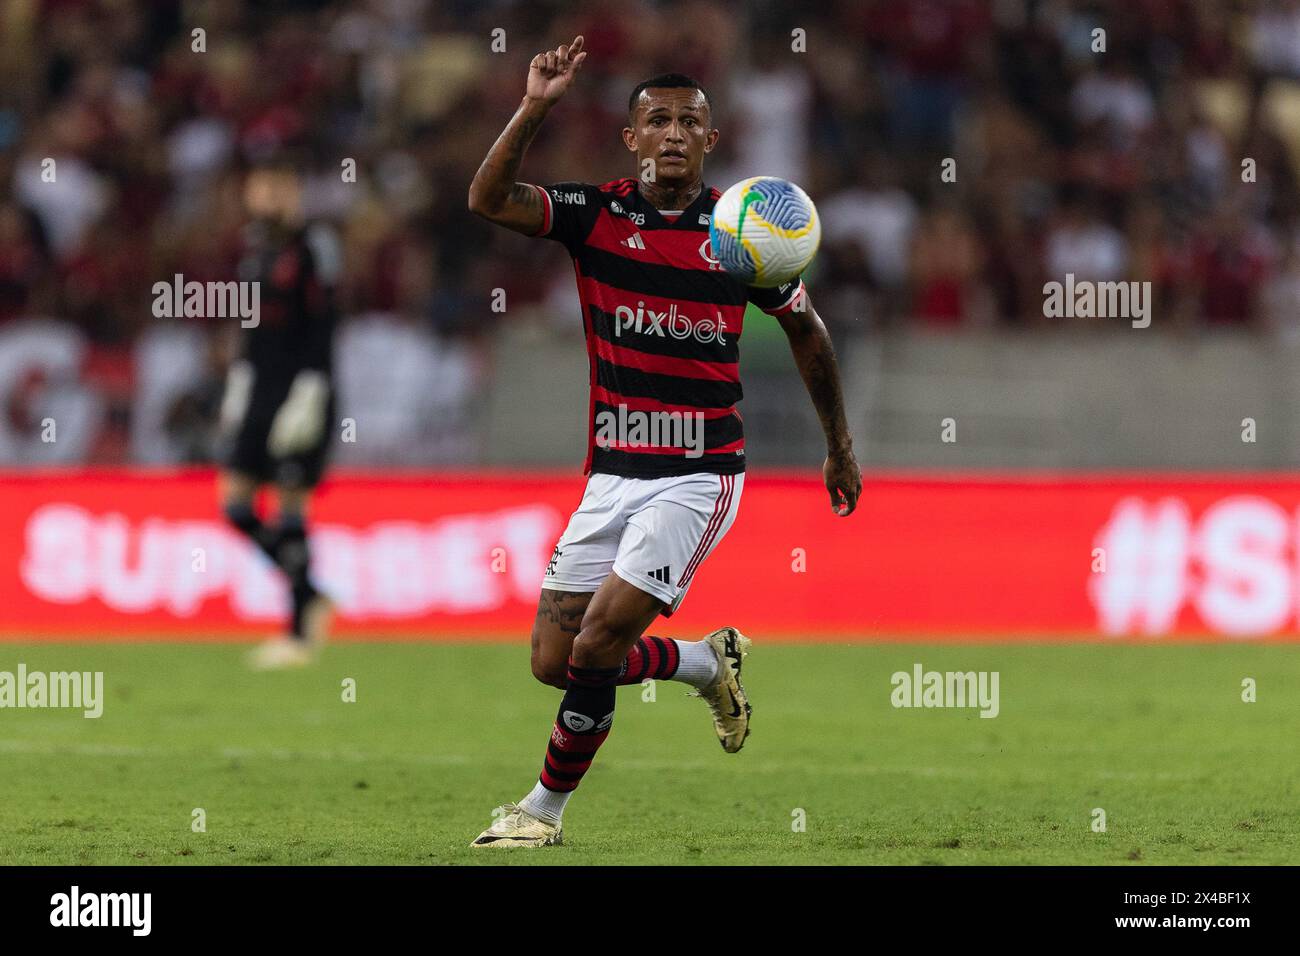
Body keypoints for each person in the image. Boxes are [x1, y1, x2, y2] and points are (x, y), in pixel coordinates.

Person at [466, 36, 861, 847]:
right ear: (632, 137)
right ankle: (703, 664)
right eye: (658, 120)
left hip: (698, 471)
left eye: (690, 121)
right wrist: (535, 107)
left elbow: (810, 334)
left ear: (712, 142)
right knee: (556, 659)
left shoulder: (740, 237)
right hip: (612, 472)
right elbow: (487, 200)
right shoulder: (595, 215)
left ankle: (540, 813)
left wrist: (840, 446)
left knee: (604, 637)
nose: (674, 132)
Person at [216, 157, 339, 670]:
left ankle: (297, 631)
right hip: (259, 387)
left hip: (302, 388)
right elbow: (250, 325)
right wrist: (239, 381)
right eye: (259, 187)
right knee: (236, 505)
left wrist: (311, 389)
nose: (268, 197)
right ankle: (310, 593)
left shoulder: (316, 247)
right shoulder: (253, 251)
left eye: (278, 187)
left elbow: (325, 323)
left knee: (291, 507)